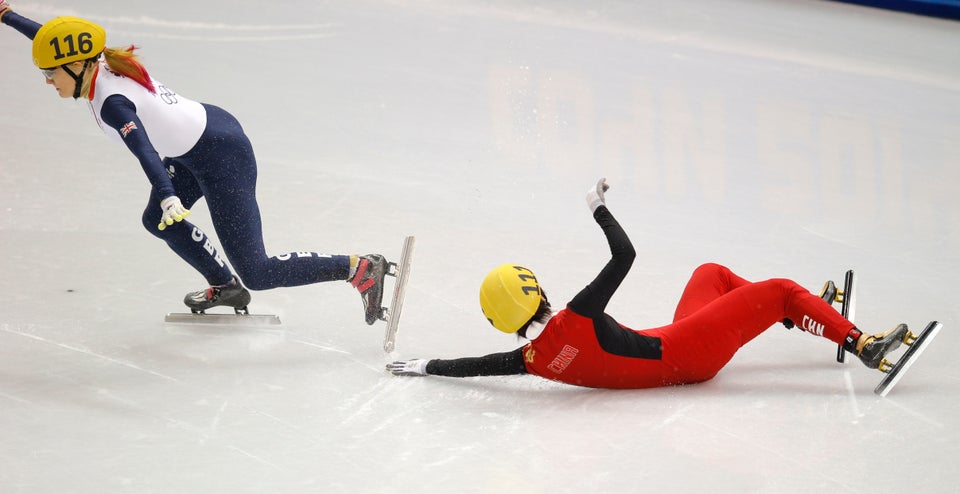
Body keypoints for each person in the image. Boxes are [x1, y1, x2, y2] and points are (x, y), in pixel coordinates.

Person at [0, 5, 388, 323]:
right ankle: (224, 285)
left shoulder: (112, 101)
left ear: (75, 66)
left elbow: (145, 152)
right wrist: (7, 15)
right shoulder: (96, 61)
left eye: (50, 73)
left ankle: (357, 268)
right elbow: (49, 38)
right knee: (156, 220)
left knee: (258, 271)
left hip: (222, 156)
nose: (48, 81)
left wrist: (168, 194)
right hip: (200, 141)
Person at [387, 178, 910, 389]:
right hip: (693, 352)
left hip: (676, 346)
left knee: (712, 274)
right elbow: (625, 254)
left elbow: (475, 367)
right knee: (776, 289)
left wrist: (427, 365)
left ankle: (806, 313)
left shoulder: (532, 361)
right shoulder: (577, 313)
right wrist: (597, 207)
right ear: (537, 291)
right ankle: (860, 342)